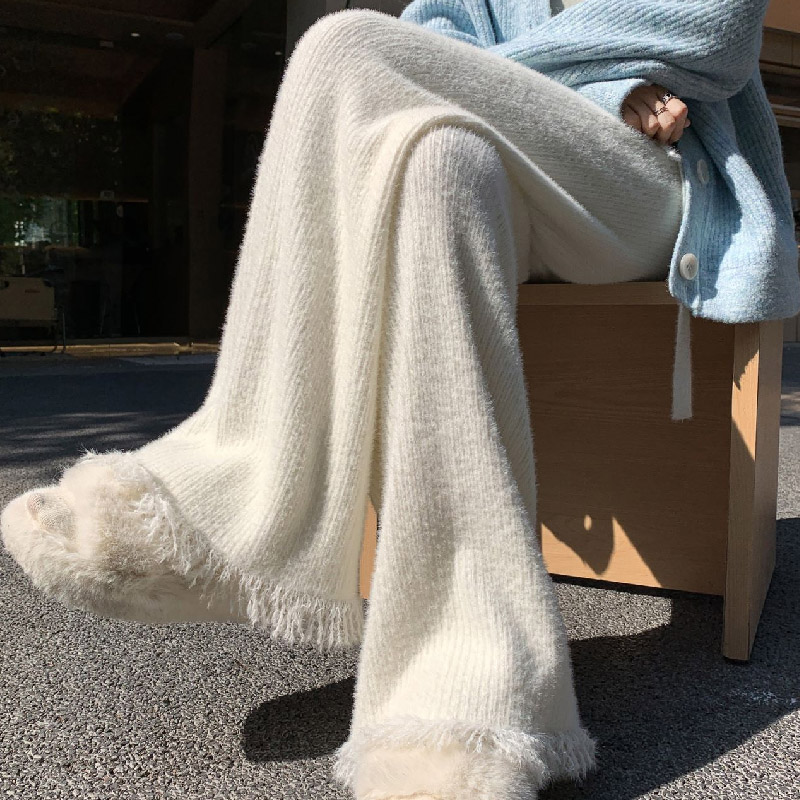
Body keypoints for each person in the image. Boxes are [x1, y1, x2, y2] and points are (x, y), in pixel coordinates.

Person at [1, 2, 796, 799]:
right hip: (515, 163)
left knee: (347, 46)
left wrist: (547, 87)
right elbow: (438, 40)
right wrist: (574, 78)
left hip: (650, 181)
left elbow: (711, 31)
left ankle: (226, 498)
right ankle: (470, 693)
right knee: (438, 161)